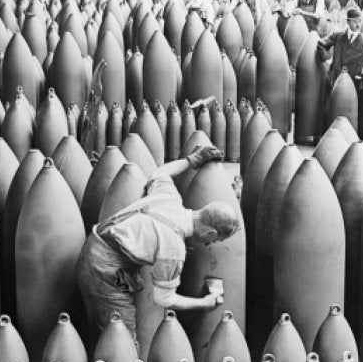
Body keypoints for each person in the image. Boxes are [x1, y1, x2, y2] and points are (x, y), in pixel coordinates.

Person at [76, 146, 240, 341]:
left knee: (105, 332)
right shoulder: (173, 249)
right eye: (214, 239)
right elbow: (164, 298)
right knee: (123, 341)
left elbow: (160, 173)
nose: (209, 244)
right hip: (102, 271)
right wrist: (204, 303)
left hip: (94, 245)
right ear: (210, 232)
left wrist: (193, 159)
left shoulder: (170, 197)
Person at [316, 8, 363, 88]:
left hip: (354, 83)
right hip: (335, 81)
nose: (358, 25)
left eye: (360, 21)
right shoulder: (337, 36)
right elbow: (321, 44)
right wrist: (328, 60)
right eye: (355, 21)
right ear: (348, 21)